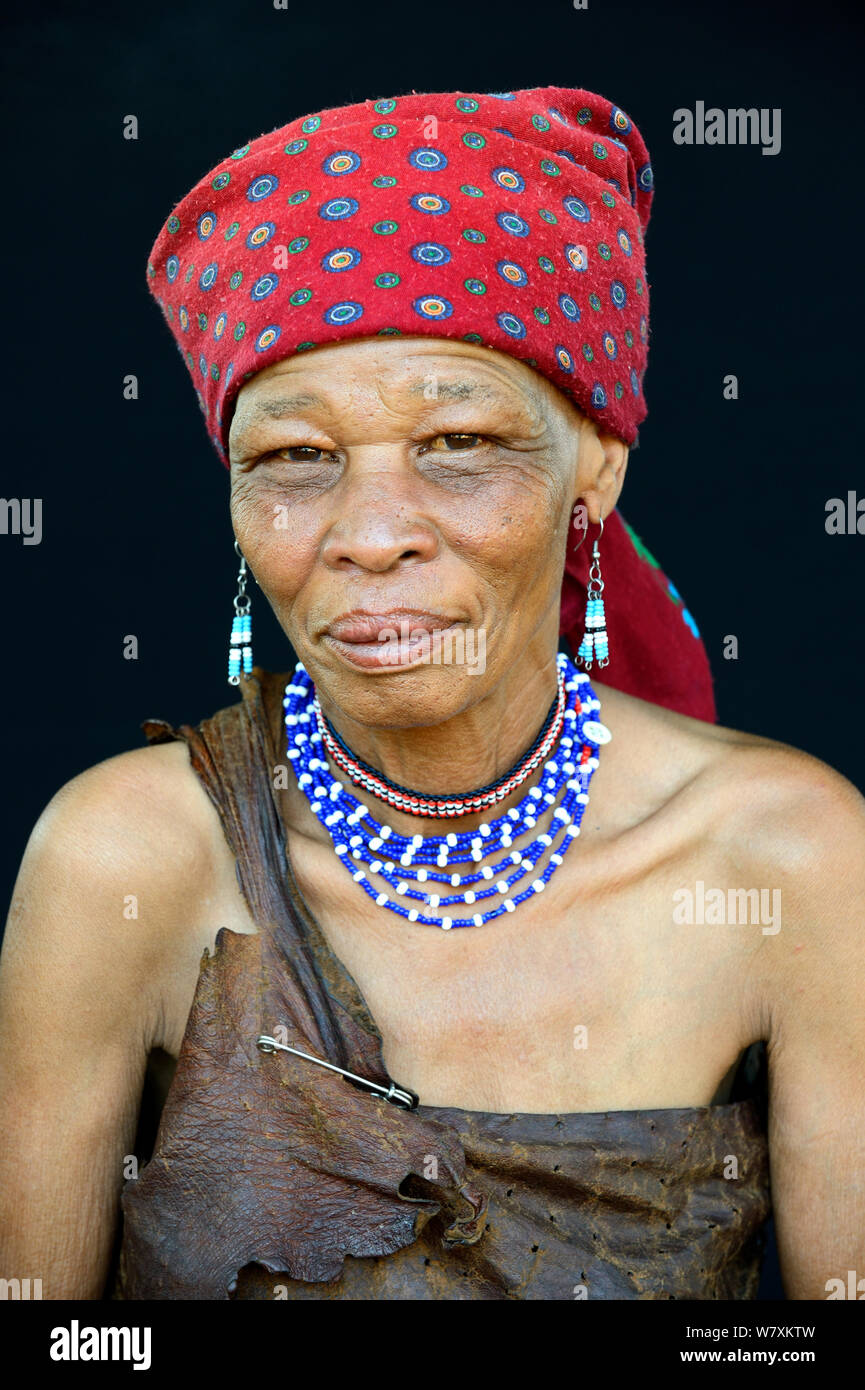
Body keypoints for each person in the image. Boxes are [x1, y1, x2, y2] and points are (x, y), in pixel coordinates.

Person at [1, 85, 862, 1302]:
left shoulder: (787, 859)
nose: (370, 533)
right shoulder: (127, 856)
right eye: (295, 459)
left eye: (459, 444)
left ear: (596, 469)